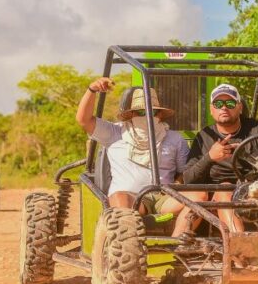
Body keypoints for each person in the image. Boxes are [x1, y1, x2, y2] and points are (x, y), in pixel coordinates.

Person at [179, 83, 258, 235]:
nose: (224, 107)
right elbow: (188, 180)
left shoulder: (255, 128)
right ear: (212, 110)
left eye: (230, 103)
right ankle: (239, 243)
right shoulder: (204, 137)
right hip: (223, 194)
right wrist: (209, 157)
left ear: (239, 108)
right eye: (218, 104)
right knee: (224, 188)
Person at [76, 77, 203, 220]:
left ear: (159, 115)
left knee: (199, 196)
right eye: (142, 113)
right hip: (130, 198)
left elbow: (184, 173)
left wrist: (176, 185)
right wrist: (92, 90)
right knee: (119, 198)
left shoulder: (174, 139)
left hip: (165, 197)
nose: (147, 117)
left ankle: (179, 239)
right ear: (131, 115)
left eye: (152, 112)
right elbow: (84, 120)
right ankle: (127, 239)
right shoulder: (114, 132)